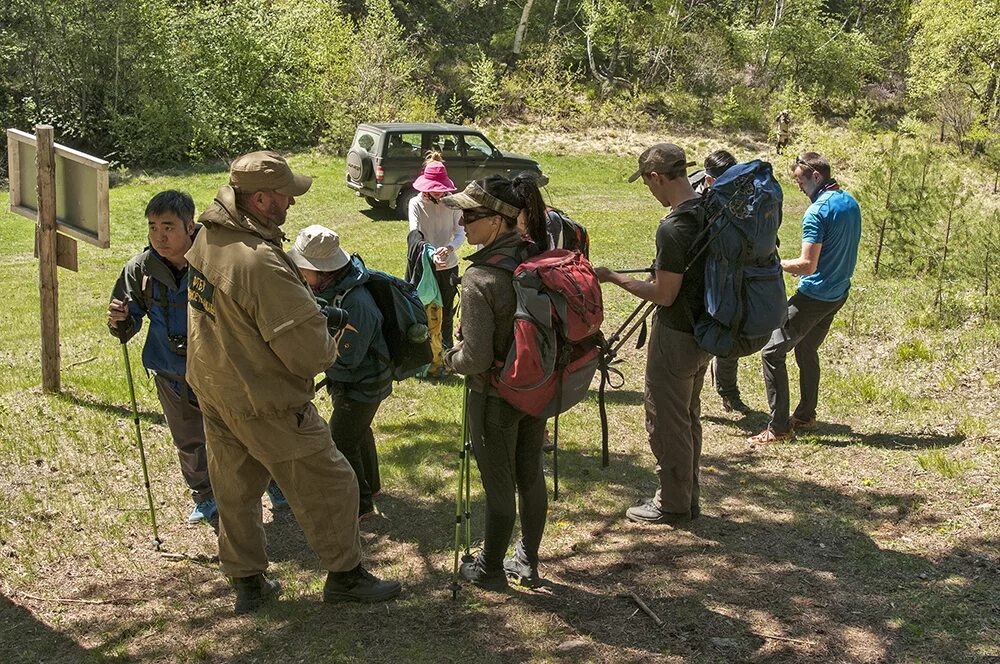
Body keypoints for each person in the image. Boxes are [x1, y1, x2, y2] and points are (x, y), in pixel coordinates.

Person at [185, 151, 400, 614]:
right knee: (336, 483)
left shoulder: (209, 236)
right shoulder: (261, 262)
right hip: (266, 399)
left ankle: (247, 584)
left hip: (216, 388)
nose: (291, 204)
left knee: (236, 490)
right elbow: (310, 354)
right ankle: (345, 576)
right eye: (285, 196)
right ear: (260, 198)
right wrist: (328, 328)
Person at [442, 174, 550, 590]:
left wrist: (452, 358)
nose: (462, 223)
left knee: (499, 485)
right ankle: (529, 561)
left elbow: (476, 358)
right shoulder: (535, 256)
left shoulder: (479, 279)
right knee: (530, 474)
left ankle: (489, 569)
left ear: (499, 219)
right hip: (534, 390)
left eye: (471, 215)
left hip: (493, 398)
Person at [595, 143, 710, 526]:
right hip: (704, 331)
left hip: (676, 334)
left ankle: (673, 503)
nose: (650, 191)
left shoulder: (674, 226)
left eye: (648, 183)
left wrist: (614, 278)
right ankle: (688, 496)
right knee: (688, 416)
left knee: (666, 421)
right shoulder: (707, 211)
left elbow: (664, 293)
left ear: (656, 177)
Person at [106, 191, 219, 524]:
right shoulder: (141, 269)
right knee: (188, 440)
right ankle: (205, 496)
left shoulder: (214, 260)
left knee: (243, 432)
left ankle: (270, 484)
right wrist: (120, 320)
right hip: (170, 373)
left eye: (168, 227)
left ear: (191, 226)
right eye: (153, 227)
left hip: (218, 370)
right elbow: (126, 322)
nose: (159, 236)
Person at [748, 152, 862, 443]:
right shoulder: (850, 202)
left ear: (816, 176)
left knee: (772, 351)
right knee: (806, 349)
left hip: (815, 296)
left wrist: (774, 264)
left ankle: (779, 427)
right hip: (838, 293)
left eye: (800, 181)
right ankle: (806, 414)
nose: (798, 187)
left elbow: (806, 265)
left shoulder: (817, 212)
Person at [288, 225, 392, 521]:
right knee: (358, 432)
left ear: (321, 271)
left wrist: (311, 356)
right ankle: (372, 488)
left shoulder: (356, 304)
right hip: (354, 382)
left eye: (302, 268)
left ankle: (360, 507)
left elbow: (349, 357)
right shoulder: (334, 290)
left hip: (363, 384)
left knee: (342, 440)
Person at [700, 150, 751, 414]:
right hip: (703, 276)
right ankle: (691, 396)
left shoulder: (743, 192)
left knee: (729, 333)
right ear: (710, 180)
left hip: (732, 273)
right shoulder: (698, 197)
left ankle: (729, 393)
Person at [408, 152, 465, 360]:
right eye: (435, 190)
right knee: (422, 311)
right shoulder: (415, 204)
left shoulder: (453, 204)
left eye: (442, 190)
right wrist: (431, 253)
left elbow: (460, 233)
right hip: (425, 266)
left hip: (448, 266)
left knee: (447, 312)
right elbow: (415, 233)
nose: (440, 194)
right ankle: (424, 355)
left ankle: (447, 353)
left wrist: (449, 248)